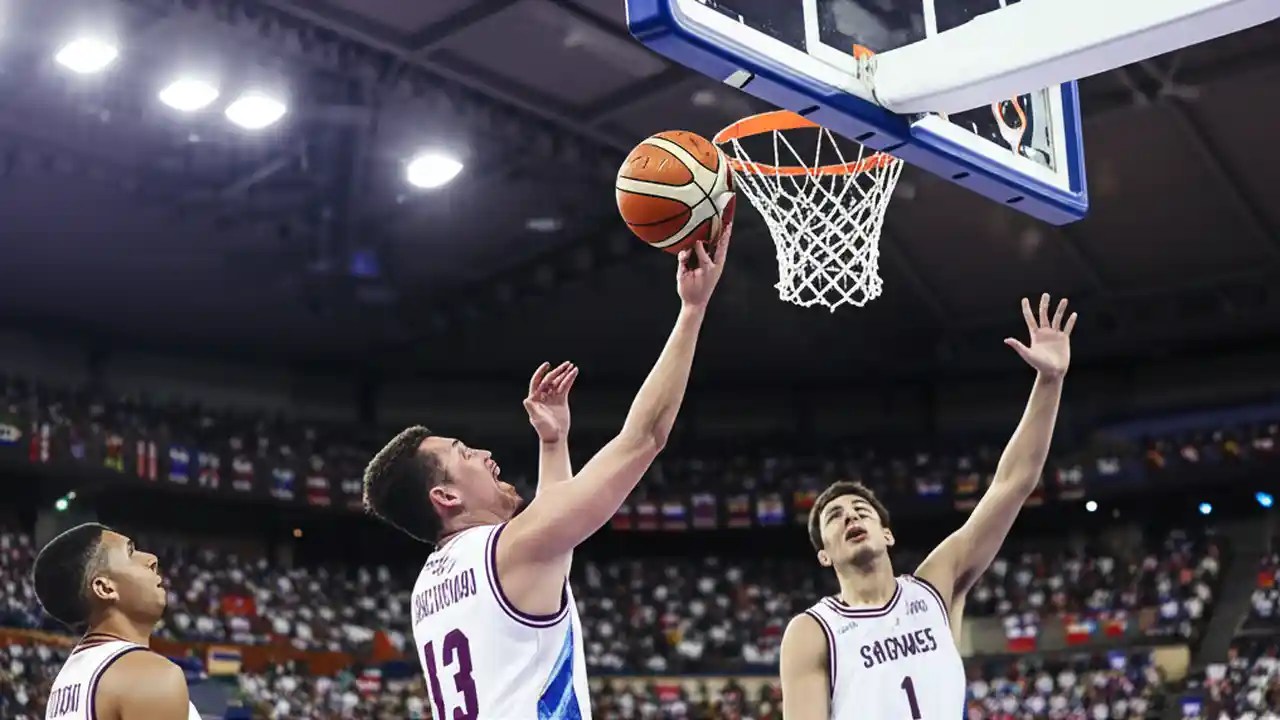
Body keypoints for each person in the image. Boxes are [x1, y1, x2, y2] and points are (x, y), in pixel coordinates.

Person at [362, 204, 735, 720]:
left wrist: (554, 443)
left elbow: (554, 543)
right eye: (465, 454)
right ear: (445, 497)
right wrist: (692, 311)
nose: (486, 454)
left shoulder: (431, 587)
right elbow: (645, 436)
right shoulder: (510, 551)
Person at [781, 293, 1078, 720]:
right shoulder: (812, 631)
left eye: (861, 510)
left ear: (887, 533)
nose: (850, 515)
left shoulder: (933, 587)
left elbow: (1012, 484)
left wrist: (1050, 381)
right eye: (835, 516)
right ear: (823, 554)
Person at [32, 523, 200, 720]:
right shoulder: (148, 676)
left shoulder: (66, 681)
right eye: (130, 552)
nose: (151, 559)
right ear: (105, 588)